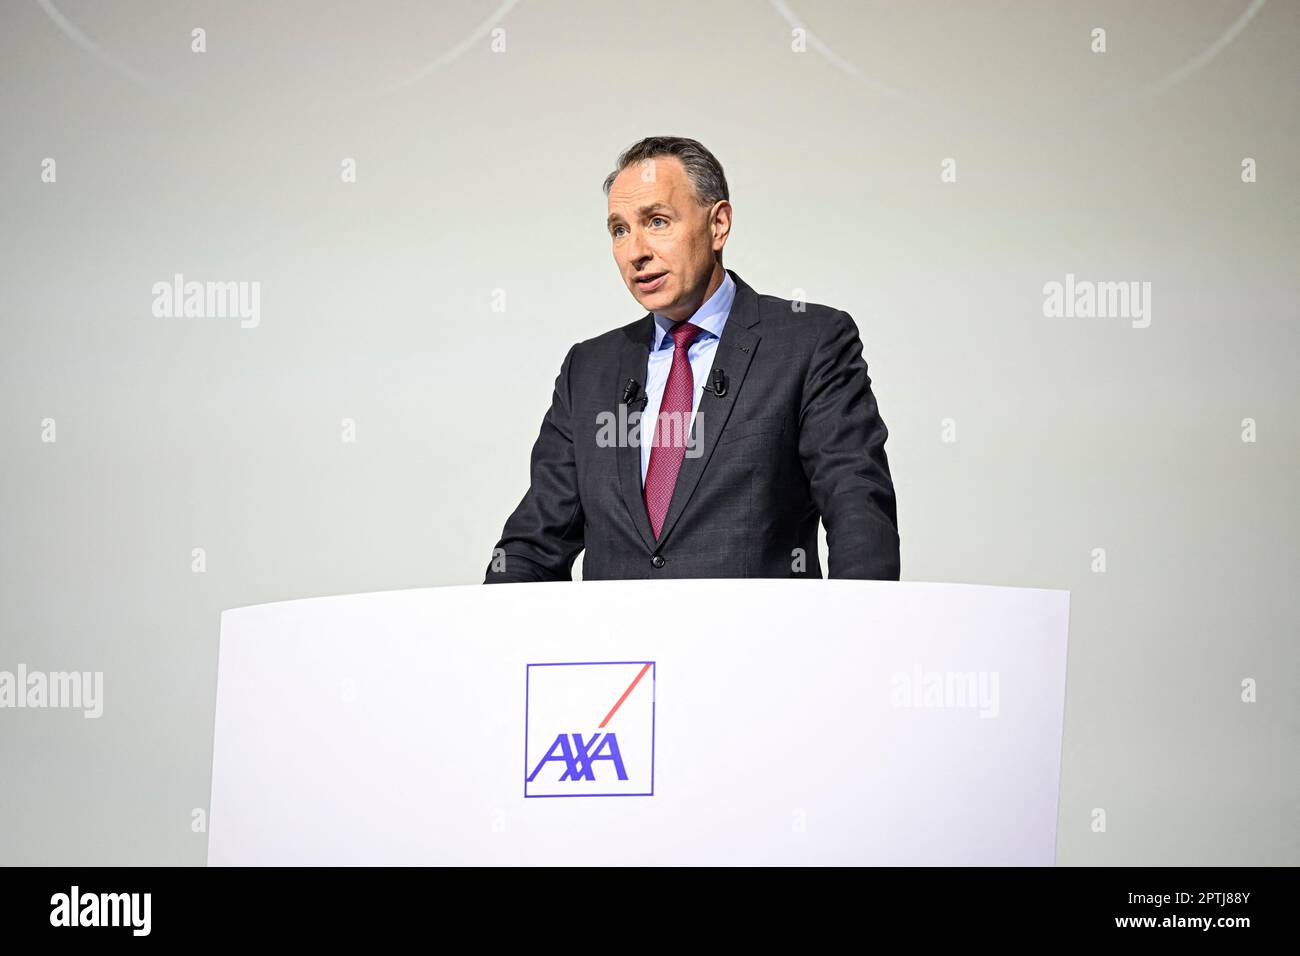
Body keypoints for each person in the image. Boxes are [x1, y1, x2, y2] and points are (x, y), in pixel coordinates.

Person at [484, 136, 899, 582]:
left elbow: (859, 513)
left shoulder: (809, 342)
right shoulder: (588, 369)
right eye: (619, 230)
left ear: (718, 224)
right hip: (624, 649)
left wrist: (855, 638)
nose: (636, 251)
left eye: (657, 221)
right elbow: (536, 542)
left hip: (760, 647)